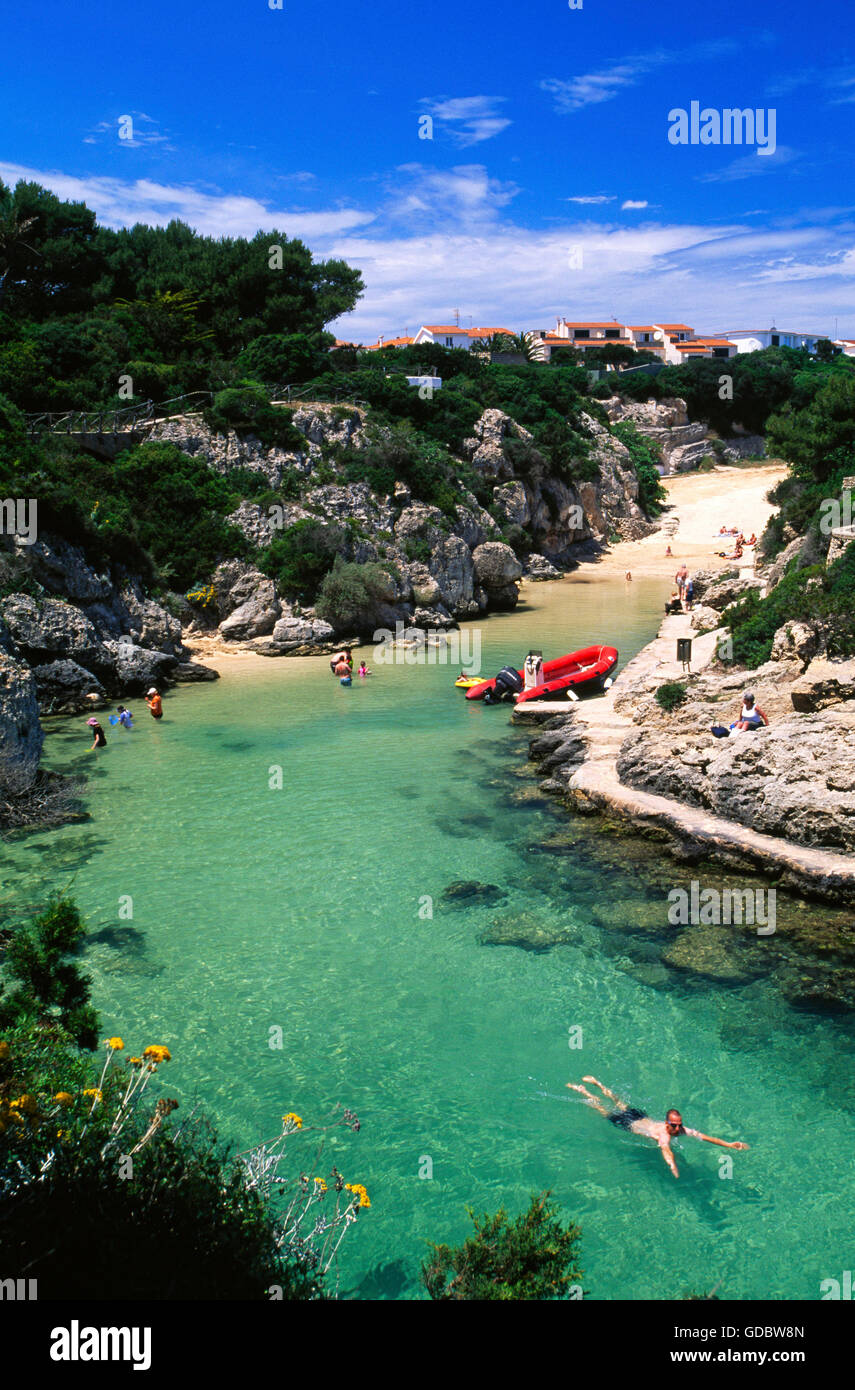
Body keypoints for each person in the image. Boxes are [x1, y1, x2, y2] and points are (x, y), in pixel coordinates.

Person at [567, 1075, 748, 1179]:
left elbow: (706, 1137)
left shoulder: (682, 1130)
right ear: (667, 1123)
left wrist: (729, 1144)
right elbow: (666, 1149)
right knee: (601, 1108)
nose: (678, 1128)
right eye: (674, 1125)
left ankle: (598, 1083)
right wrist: (672, 1165)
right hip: (628, 1123)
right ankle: (584, 1090)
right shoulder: (664, 1134)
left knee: (618, 1101)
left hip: (640, 1116)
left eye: (680, 1124)